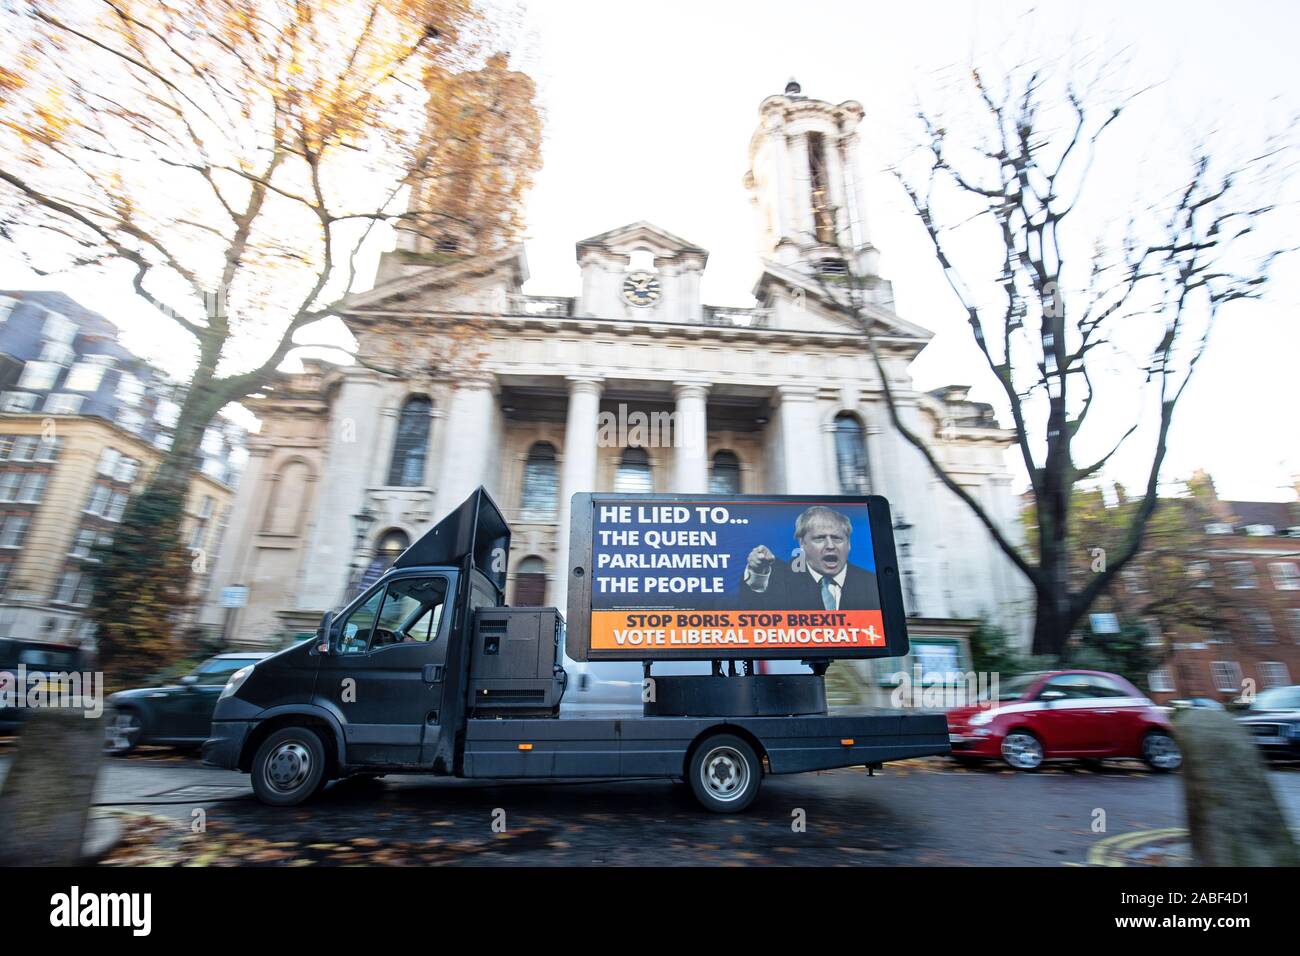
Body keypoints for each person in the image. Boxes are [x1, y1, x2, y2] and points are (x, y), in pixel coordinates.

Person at [739, 505, 879, 611]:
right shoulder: (782, 578)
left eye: (837, 538)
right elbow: (752, 602)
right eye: (820, 538)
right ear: (802, 543)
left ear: (849, 544)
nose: (830, 545)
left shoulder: (871, 583)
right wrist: (758, 571)